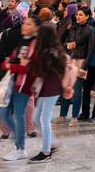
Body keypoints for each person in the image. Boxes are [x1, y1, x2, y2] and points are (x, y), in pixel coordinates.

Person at [0, 13, 40, 160]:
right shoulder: (23, 41)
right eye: (25, 23)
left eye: (29, 24)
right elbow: (8, 61)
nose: (25, 26)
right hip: (13, 82)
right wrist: (15, 64)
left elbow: (29, 68)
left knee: (18, 115)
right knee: (3, 112)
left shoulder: (36, 44)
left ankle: (20, 148)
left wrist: (14, 65)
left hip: (25, 85)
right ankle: (20, 141)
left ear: (36, 28)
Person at [25, 24, 67, 163]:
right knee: (38, 118)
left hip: (51, 88)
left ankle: (46, 151)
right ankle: (52, 143)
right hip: (46, 88)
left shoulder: (50, 52)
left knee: (43, 119)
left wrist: (29, 64)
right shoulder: (48, 50)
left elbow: (43, 69)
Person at [59, 6, 95, 122]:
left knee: (77, 90)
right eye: (77, 14)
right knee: (65, 87)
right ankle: (62, 115)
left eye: (81, 15)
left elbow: (91, 49)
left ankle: (74, 116)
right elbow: (64, 43)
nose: (78, 17)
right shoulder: (72, 28)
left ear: (87, 16)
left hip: (81, 61)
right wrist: (68, 45)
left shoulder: (90, 30)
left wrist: (84, 67)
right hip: (70, 60)